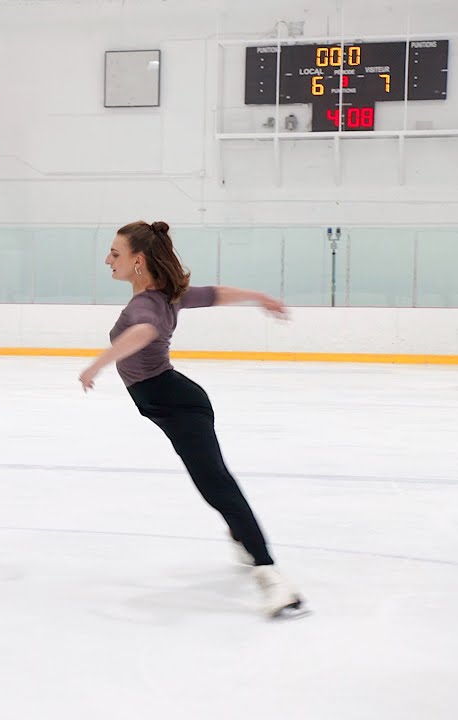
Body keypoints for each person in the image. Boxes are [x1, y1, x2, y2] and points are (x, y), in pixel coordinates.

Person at [78, 220, 307, 619]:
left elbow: (142, 334)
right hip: (172, 400)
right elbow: (215, 294)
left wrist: (97, 364)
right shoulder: (167, 295)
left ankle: (271, 574)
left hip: (176, 404)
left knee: (215, 484)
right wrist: (258, 297)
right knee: (214, 479)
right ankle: (241, 535)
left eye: (115, 254)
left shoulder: (146, 306)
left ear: (138, 260)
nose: (107, 260)